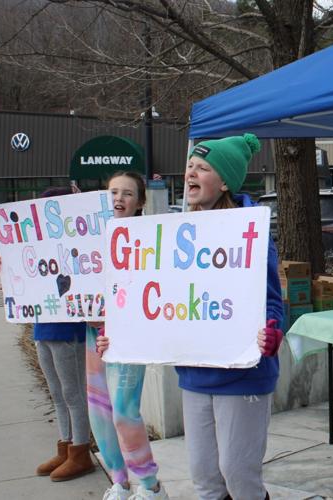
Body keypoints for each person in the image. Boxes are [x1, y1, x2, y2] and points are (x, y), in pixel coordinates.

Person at [97, 133, 284, 500]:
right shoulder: (174, 234)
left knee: (238, 475)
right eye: (189, 167)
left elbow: (272, 301)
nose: (191, 174)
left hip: (243, 374)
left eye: (203, 167)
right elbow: (146, 295)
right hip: (195, 374)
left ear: (225, 180)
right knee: (204, 478)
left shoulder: (251, 232)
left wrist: (273, 330)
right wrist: (117, 332)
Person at [0, 187, 95, 483]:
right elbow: (19, 279)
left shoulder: (79, 241)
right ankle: (65, 446)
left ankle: (80, 451)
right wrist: (5, 266)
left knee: (72, 393)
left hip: (68, 330)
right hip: (43, 326)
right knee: (58, 393)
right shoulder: (37, 244)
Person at [88, 171, 168, 500]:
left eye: (127, 193)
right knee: (100, 411)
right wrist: (6, 265)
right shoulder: (92, 236)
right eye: (113, 193)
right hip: (93, 333)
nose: (118, 199)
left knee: (123, 411)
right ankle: (119, 482)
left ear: (140, 202)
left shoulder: (149, 237)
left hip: (128, 338)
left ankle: (150, 487)